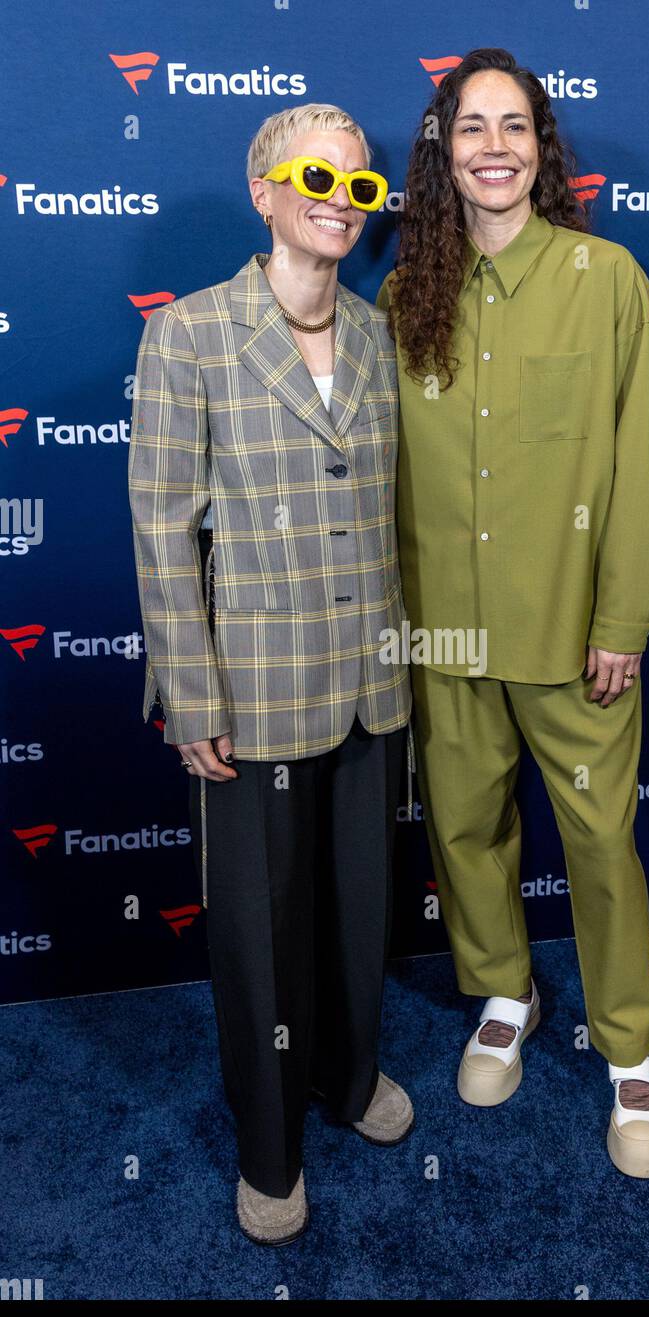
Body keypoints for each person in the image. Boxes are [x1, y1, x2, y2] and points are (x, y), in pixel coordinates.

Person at [377, 49, 649, 1179]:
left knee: (599, 842)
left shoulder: (606, 278)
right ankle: (504, 991)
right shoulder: (402, 292)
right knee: (462, 831)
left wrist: (622, 619)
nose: (492, 146)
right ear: (440, 150)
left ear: (541, 148)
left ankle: (630, 1054)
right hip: (443, 632)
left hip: (571, 633)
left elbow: (638, 461)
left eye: (513, 126)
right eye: (469, 128)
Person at [129, 104, 413, 1245]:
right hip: (249, 693)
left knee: (357, 908)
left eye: (359, 186)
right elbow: (161, 530)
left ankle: (345, 1081)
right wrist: (189, 694)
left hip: (367, 681)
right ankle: (268, 1142)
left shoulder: (381, 333)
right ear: (262, 192)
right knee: (257, 929)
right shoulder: (192, 334)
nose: (337, 199)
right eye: (312, 177)